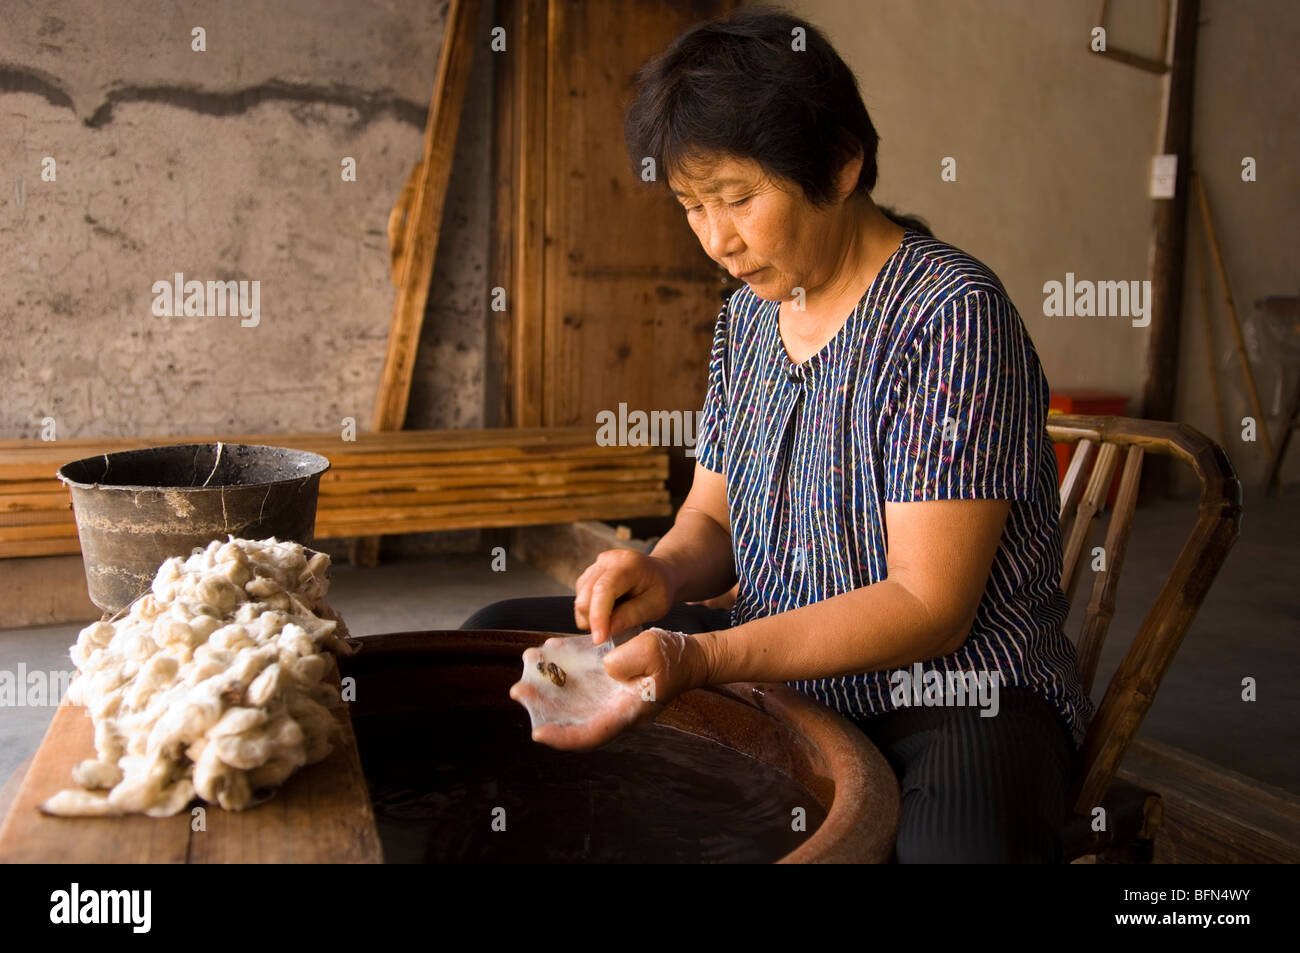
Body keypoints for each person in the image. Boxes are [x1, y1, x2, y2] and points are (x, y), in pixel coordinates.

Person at [462, 7, 1094, 863]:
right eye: (692, 205)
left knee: (962, 849)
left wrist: (701, 654)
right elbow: (712, 523)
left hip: (950, 690)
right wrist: (660, 570)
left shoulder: (949, 317)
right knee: (494, 634)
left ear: (840, 166)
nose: (717, 240)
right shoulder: (751, 318)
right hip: (778, 656)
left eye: (738, 199)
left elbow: (928, 607)